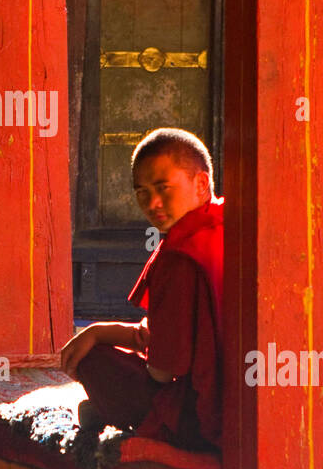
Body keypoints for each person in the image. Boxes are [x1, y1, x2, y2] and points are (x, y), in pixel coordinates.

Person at [60, 127, 223, 449]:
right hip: (252, 405)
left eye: (163, 188)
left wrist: (99, 342)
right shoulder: (230, 224)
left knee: (95, 360)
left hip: (202, 423)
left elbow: (164, 370)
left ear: (200, 183)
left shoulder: (180, 257)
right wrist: (102, 330)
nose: (153, 203)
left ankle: (128, 419)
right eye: (142, 192)